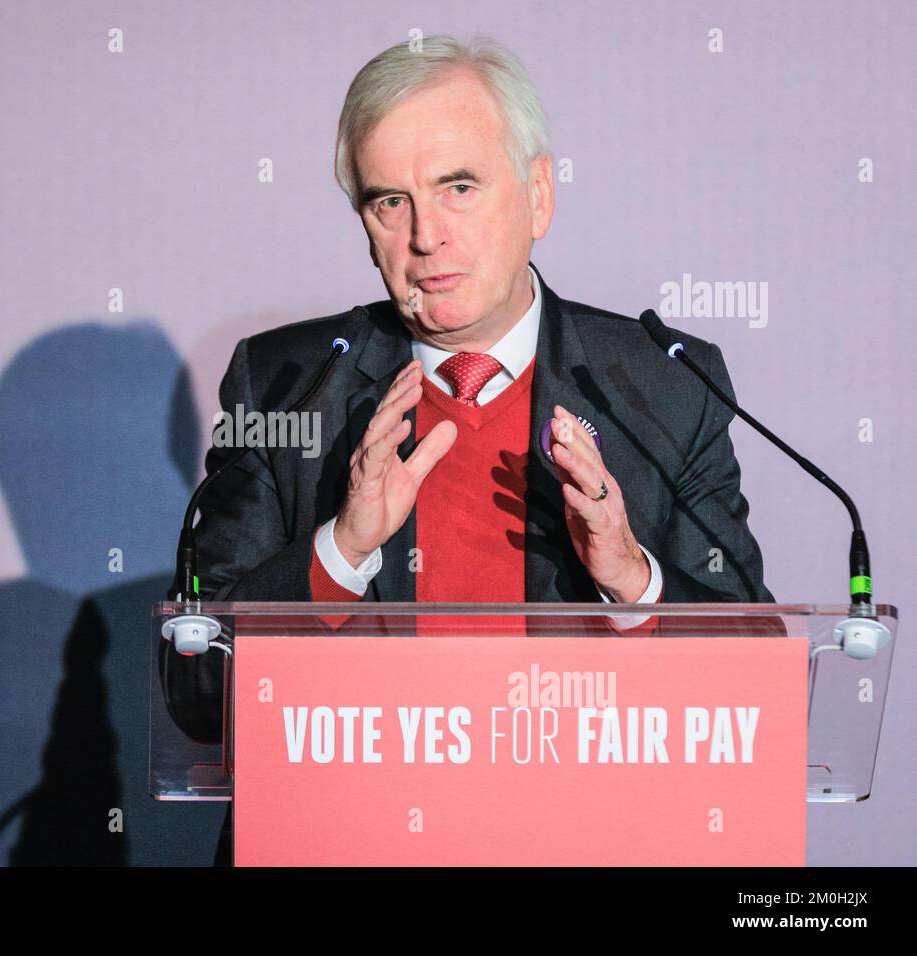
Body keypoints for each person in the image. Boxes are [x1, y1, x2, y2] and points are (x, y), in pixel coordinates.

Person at [161, 34, 776, 865]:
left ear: (538, 196)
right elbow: (197, 689)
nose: (425, 237)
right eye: (389, 202)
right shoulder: (286, 383)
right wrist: (339, 552)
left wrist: (634, 582)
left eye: (458, 187)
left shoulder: (663, 386)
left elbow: (760, 694)